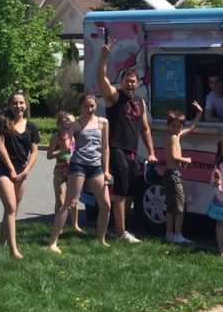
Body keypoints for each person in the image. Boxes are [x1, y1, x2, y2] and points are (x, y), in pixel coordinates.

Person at [97, 37, 157, 243]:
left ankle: (117, 227)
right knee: (121, 191)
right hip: (116, 148)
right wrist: (104, 56)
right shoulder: (114, 96)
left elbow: (145, 129)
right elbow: (101, 80)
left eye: (133, 81)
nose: (130, 84)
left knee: (131, 191)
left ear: (137, 83)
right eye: (127, 81)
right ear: (121, 82)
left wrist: (151, 152)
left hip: (133, 151)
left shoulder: (140, 101)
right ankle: (121, 232)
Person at [49, 94, 111, 252]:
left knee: (106, 205)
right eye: (86, 106)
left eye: (92, 106)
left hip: (96, 167)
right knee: (69, 204)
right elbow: (68, 142)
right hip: (78, 166)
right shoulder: (75, 125)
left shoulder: (103, 122)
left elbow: (105, 148)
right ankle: (53, 243)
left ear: (96, 105)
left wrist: (106, 170)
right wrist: (66, 142)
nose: (89, 109)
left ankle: (100, 239)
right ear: (81, 107)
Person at [0, 91, 40, 259]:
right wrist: (11, 169)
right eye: (15, 103)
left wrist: (25, 171)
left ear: (25, 105)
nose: (18, 106)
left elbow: (34, 151)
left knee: (12, 209)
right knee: (11, 207)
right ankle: (14, 250)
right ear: (10, 105)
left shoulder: (31, 127)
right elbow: (0, 146)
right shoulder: (3, 123)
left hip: (21, 171)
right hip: (2, 169)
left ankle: (2, 242)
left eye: (21, 103)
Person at [163, 102, 203, 244]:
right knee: (180, 207)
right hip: (174, 174)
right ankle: (178, 235)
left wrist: (199, 113)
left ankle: (169, 234)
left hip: (169, 174)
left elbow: (190, 127)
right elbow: (174, 156)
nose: (177, 128)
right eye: (173, 125)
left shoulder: (174, 135)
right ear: (168, 125)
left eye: (179, 126)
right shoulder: (173, 138)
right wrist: (187, 159)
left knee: (170, 207)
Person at [46, 111, 82, 233]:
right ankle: (59, 225)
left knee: (73, 200)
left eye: (72, 121)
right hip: (60, 170)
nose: (69, 124)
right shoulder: (56, 138)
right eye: (66, 121)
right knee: (60, 199)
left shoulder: (76, 136)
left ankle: (75, 225)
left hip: (74, 169)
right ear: (60, 124)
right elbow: (49, 155)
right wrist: (62, 151)